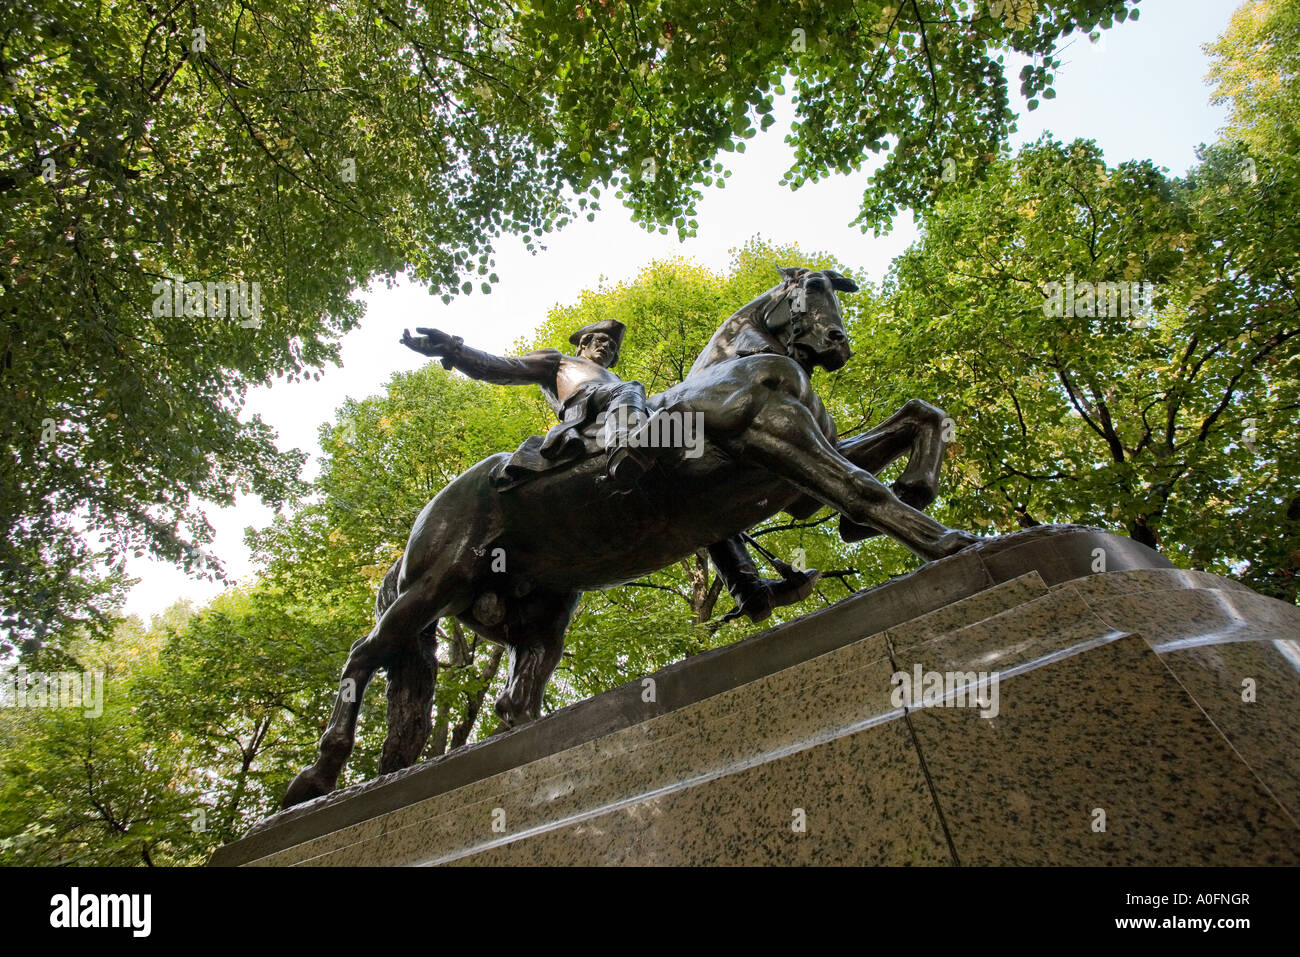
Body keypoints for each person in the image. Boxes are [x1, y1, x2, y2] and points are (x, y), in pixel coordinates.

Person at [401, 321, 820, 622]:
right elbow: (502, 367)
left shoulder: (617, 380)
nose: (604, 348)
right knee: (631, 389)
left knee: (699, 478)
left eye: (610, 347)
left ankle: (748, 587)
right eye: (597, 341)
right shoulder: (558, 364)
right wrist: (455, 351)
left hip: (625, 416)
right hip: (589, 426)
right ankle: (629, 448)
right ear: (581, 345)